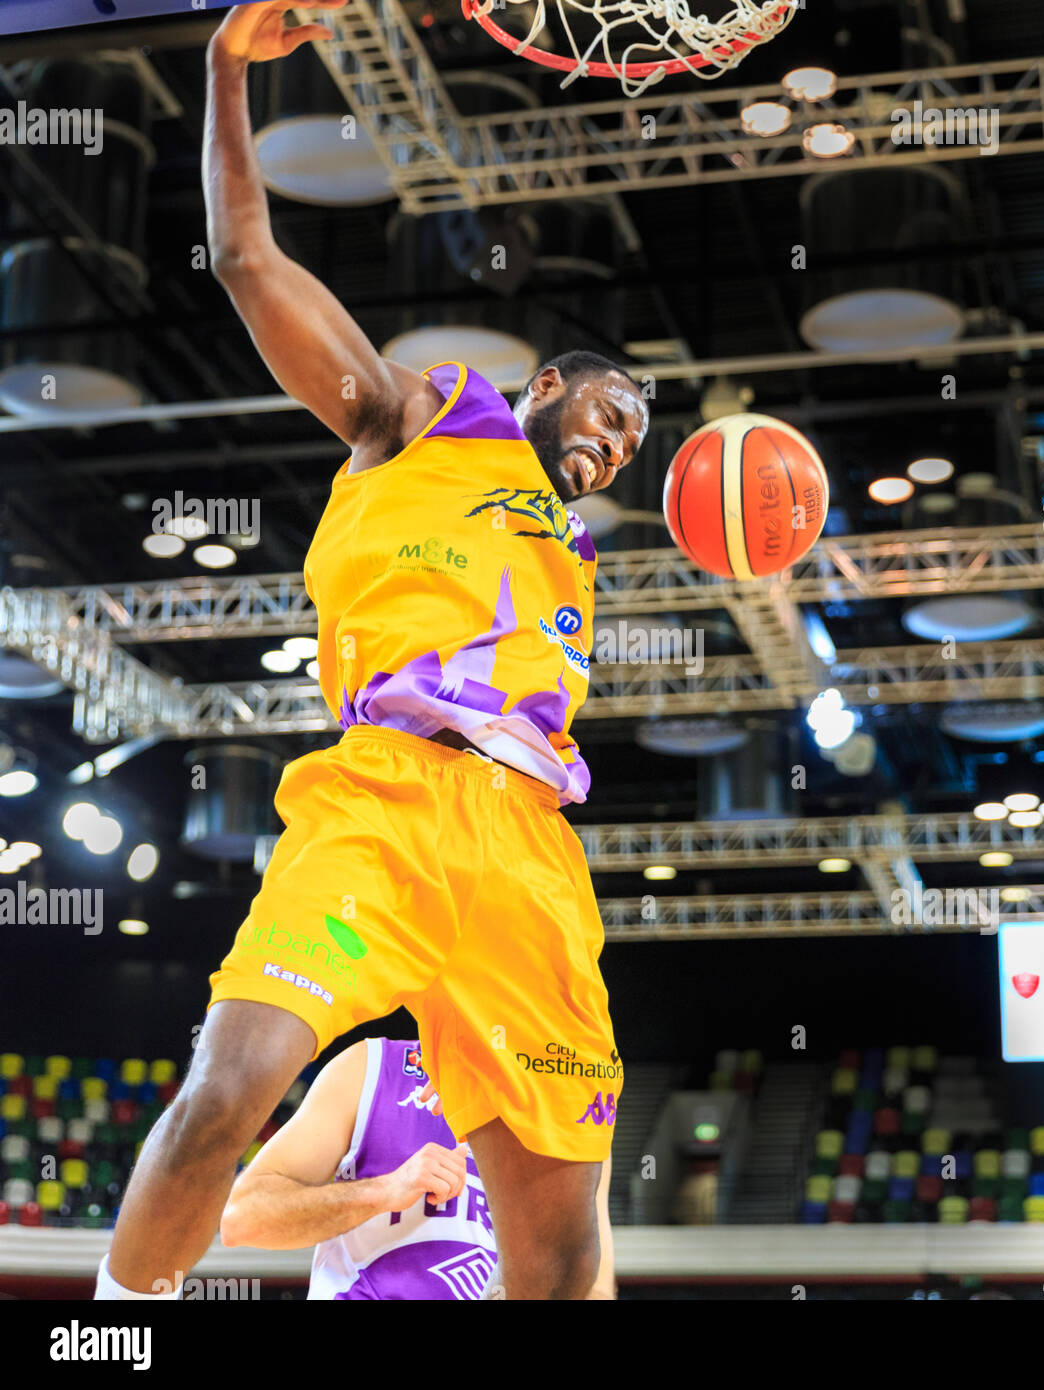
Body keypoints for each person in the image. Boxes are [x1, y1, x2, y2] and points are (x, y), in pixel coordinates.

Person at [96, 0, 647, 1302]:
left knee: (566, 1240)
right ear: (545, 386)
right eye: (608, 413)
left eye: (632, 448)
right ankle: (114, 1324)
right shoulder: (423, 418)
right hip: (389, 792)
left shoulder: (562, 563)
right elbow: (245, 258)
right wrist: (228, 72)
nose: (615, 445)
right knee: (227, 1091)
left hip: (530, 843)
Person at [219, 1038, 616, 1300]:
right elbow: (243, 1218)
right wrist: (383, 1191)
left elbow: (595, 1289)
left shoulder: (570, 1117)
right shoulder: (371, 1067)